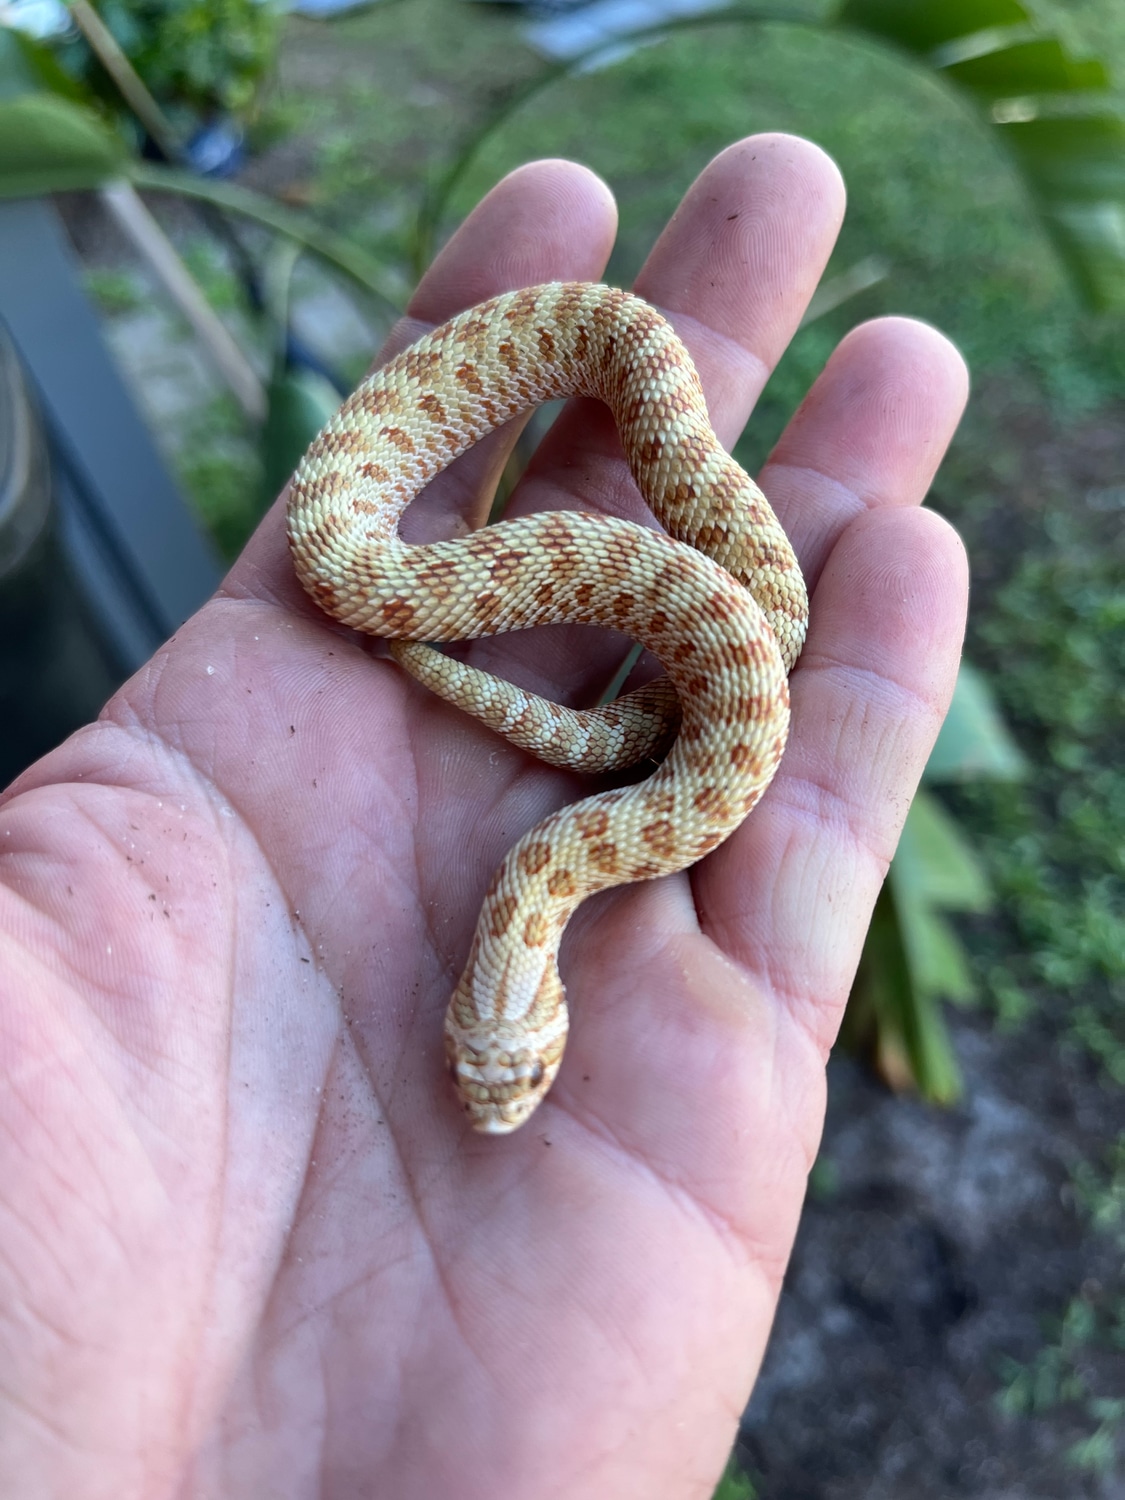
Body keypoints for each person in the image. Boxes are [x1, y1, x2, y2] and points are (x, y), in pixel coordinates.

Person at [0, 135, 968, 1496]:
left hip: (637, 536)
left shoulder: (582, 846)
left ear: (484, 995)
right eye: (505, 1069)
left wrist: (606, 726)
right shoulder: (581, 836)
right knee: (731, 611)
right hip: (567, 616)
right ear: (522, 1006)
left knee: (771, 603)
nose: (493, 1092)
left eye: (489, 1065)